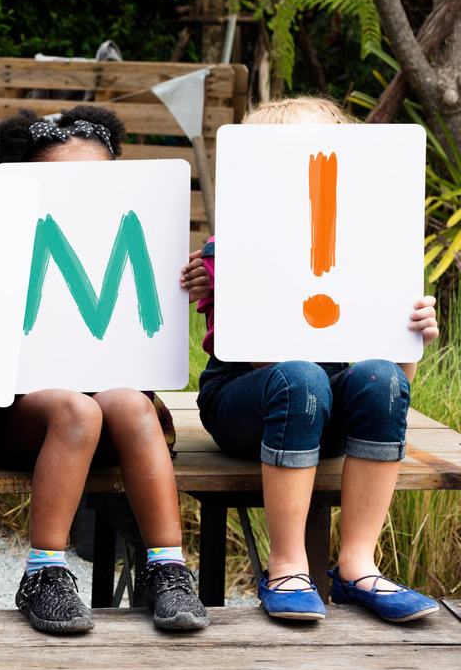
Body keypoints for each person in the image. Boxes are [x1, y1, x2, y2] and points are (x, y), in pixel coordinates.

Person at [186, 95, 440, 622]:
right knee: (301, 377)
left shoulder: (371, 244)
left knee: (379, 377)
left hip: (327, 412)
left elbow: (397, 383)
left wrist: (408, 332)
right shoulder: (229, 249)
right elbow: (263, 362)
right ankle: (286, 564)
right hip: (249, 404)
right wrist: (229, 283)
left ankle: (356, 566)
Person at [0, 106, 208, 634]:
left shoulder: (138, 233)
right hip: (28, 417)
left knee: (129, 402)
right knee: (76, 409)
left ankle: (168, 568)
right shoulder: (0, 240)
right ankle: (45, 573)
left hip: (120, 415)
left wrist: (196, 282)